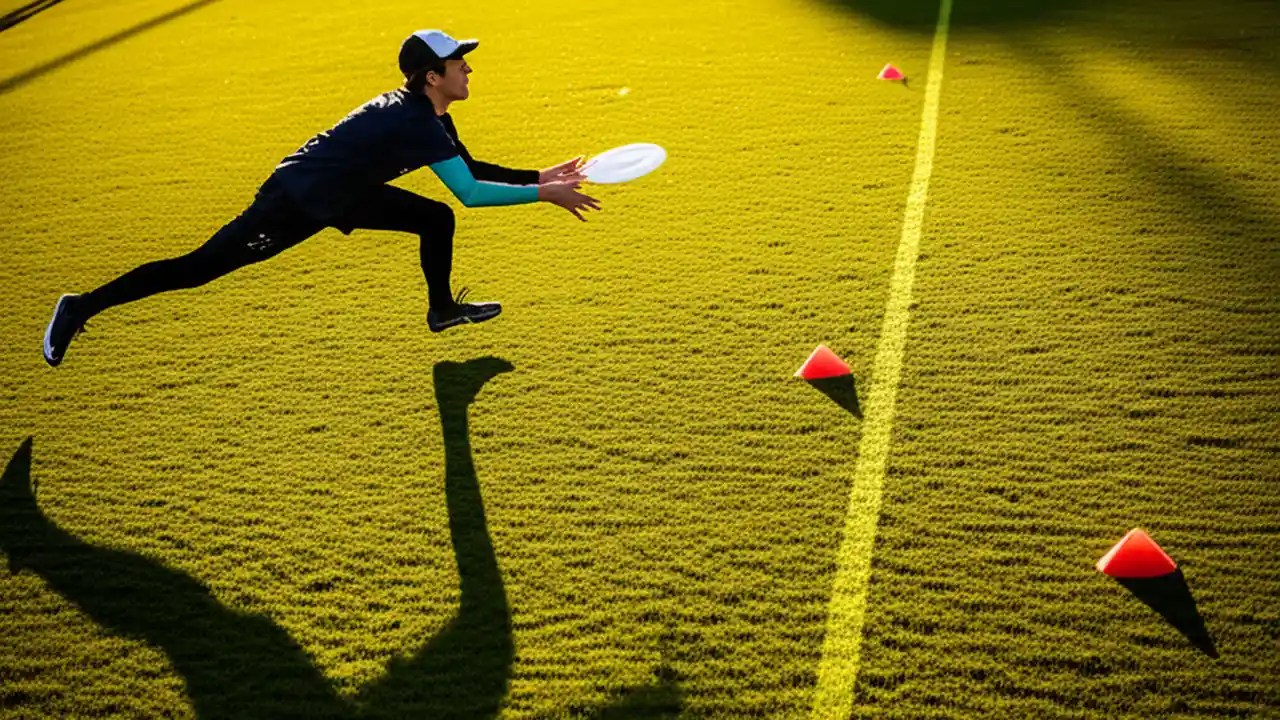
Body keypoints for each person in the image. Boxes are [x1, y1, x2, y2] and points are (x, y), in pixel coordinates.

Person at [42, 29, 600, 367]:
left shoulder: (428, 115)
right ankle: (80, 306)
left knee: (434, 218)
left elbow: (469, 167)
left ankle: (441, 311)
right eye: (459, 63)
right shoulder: (416, 124)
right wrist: (545, 194)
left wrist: (538, 172)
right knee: (199, 269)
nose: (469, 67)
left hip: (348, 194)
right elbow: (473, 192)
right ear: (432, 76)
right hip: (296, 201)